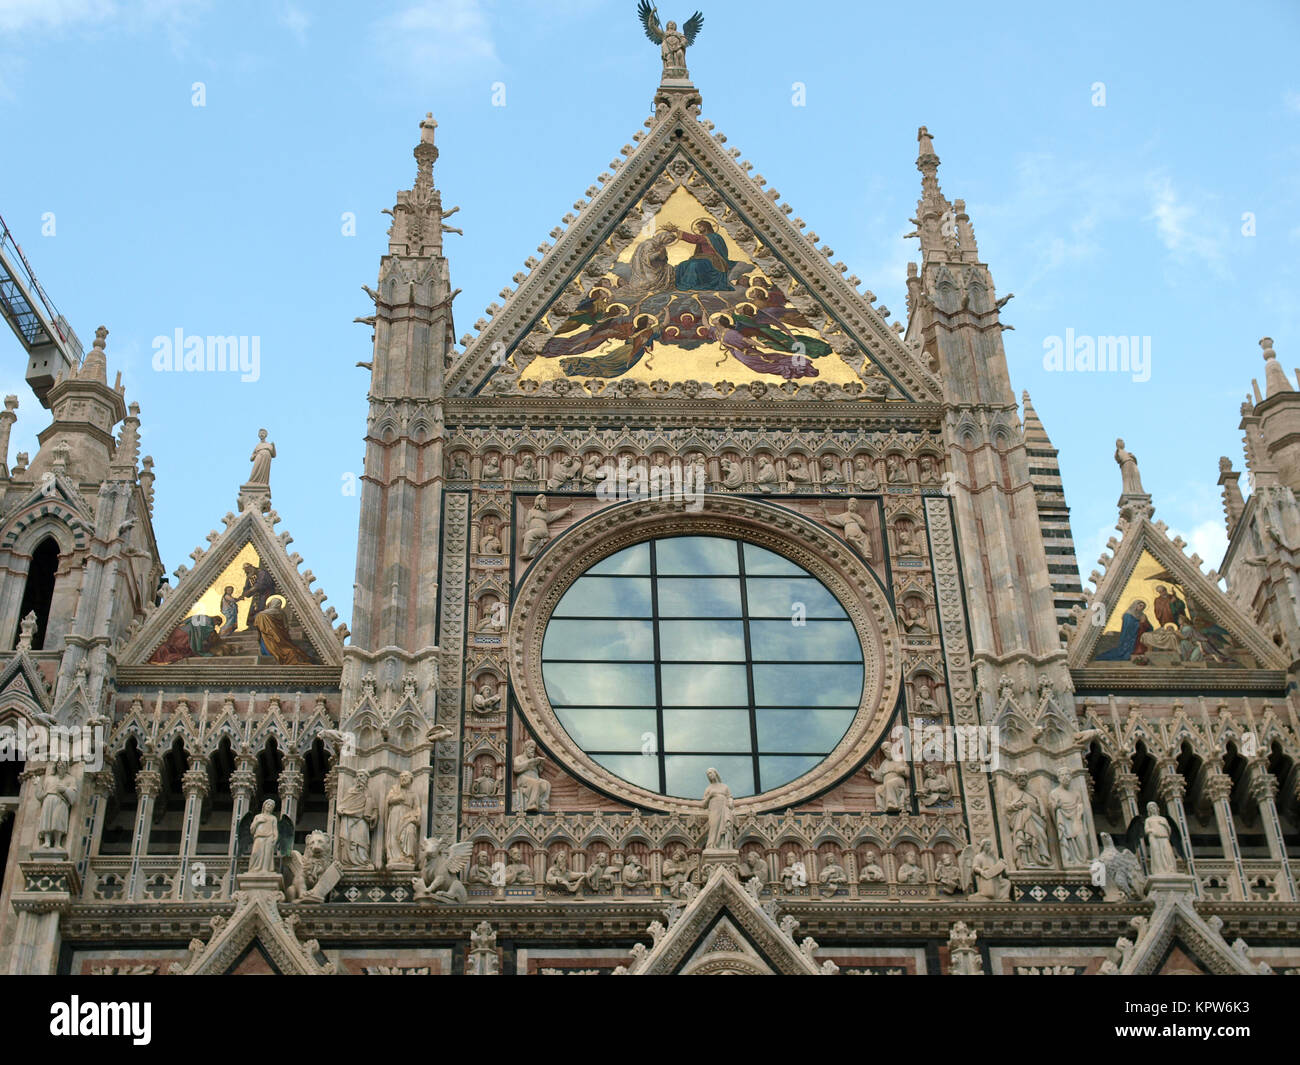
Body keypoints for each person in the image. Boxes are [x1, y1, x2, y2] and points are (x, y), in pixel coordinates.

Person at [336, 771, 378, 868]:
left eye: (362, 776)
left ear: (366, 779)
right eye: (358, 776)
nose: (359, 778)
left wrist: (373, 816)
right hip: (349, 819)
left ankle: (362, 860)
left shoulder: (369, 793)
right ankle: (348, 862)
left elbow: (374, 808)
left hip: (362, 820)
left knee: (362, 840)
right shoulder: (350, 791)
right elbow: (343, 804)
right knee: (348, 840)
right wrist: (342, 810)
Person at [701, 768, 735, 850]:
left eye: (710, 773)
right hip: (713, 808)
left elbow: (730, 797)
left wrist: (730, 802)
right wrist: (710, 796)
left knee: (725, 825)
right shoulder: (708, 788)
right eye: (708, 774)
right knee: (713, 825)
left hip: (724, 808)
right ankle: (711, 845)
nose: (709, 775)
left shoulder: (724, 786)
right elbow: (703, 805)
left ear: (715, 773)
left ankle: (723, 845)